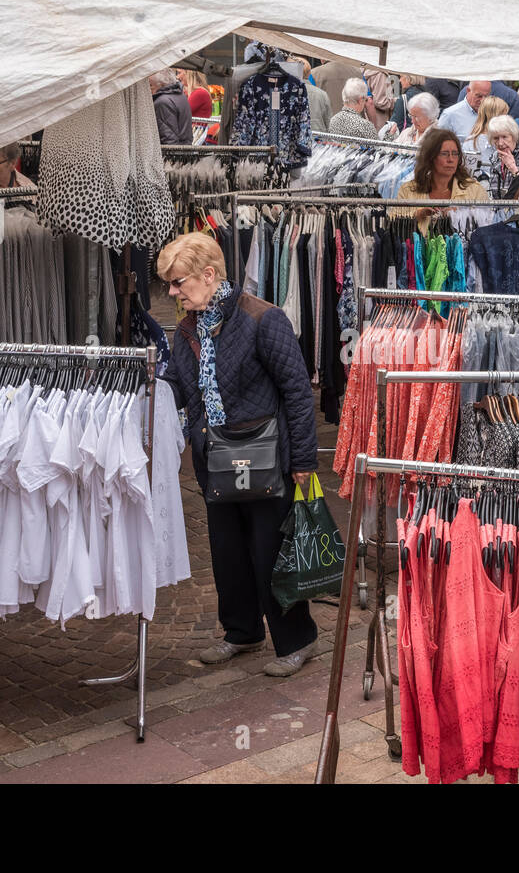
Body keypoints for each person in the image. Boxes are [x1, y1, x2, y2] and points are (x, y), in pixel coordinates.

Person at [157, 232, 319, 677]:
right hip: (216, 457)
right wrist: (147, 393)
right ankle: (242, 631)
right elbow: (176, 381)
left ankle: (296, 638)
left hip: (266, 456)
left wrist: (303, 461)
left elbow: (298, 393)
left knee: (271, 551)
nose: (172, 292)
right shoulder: (189, 326)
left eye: (178, 282)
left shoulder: (263, 319)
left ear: (209, 275)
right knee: (228, 553)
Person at [396, 128, 489, 229]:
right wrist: (417, 215)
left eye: (455, 154)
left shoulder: (474, 190)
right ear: (431, 157)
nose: (451, 159)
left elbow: (486, 224)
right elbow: (393, 225)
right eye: (444, 154)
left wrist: (459, 215)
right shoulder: (408, 190)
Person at [462, 95, 509, 172]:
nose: (507, 120)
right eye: (504, 116)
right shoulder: (471, 142)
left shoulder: (508, 141)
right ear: (494, 117)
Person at [149, 68, 193, 145]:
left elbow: (168, 140)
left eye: (151, 86)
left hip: (174, 154)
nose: (148, 90)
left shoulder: (162, 102)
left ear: (161, 85)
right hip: (185, 151)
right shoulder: (180, 95)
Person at [290, 57, 332, 134]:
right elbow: (329, 123)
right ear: (309, 73)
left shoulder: (284, 91)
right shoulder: (321, 94)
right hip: (319, 140)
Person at [486, 115, 519, 198]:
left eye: (504, 137)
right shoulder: (495, 158)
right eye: (496, 138)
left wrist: (513, 168)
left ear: (514, 136)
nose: (500, 143)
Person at [455, 78, 519, 122]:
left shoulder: (467, 90)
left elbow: (458, 116)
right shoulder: (512, 95)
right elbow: (513, 126)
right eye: (479, 96)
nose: (482, 101)